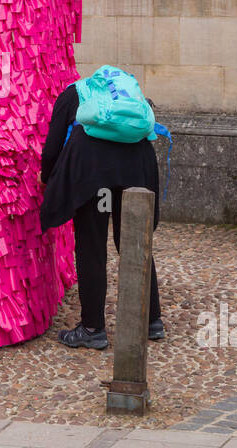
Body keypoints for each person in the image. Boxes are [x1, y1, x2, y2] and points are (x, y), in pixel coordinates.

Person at [40, 77, 164, 350]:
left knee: (92, 246)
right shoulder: (126, 90)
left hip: (94, 174)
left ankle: (93, 328)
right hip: (137, 166)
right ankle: (152, 320)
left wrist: (48, 179)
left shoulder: (72, 92)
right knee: (134, 241)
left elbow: (51, 148)